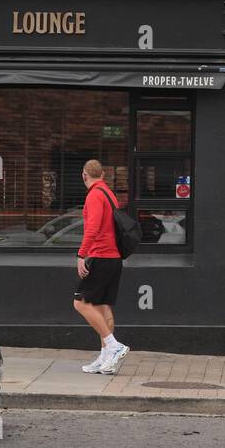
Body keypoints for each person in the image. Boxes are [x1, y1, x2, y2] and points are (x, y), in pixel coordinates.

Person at [73, 160, 129, 374]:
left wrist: (81, 254)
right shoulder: (108, 193)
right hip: (113, 257)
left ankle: (114, 346)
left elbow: (93, 228)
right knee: (103, 306)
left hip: (101, 256)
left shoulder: (95, 195)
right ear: (103, 174)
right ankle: (107, 357)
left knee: (81, 303)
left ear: (84, 175)